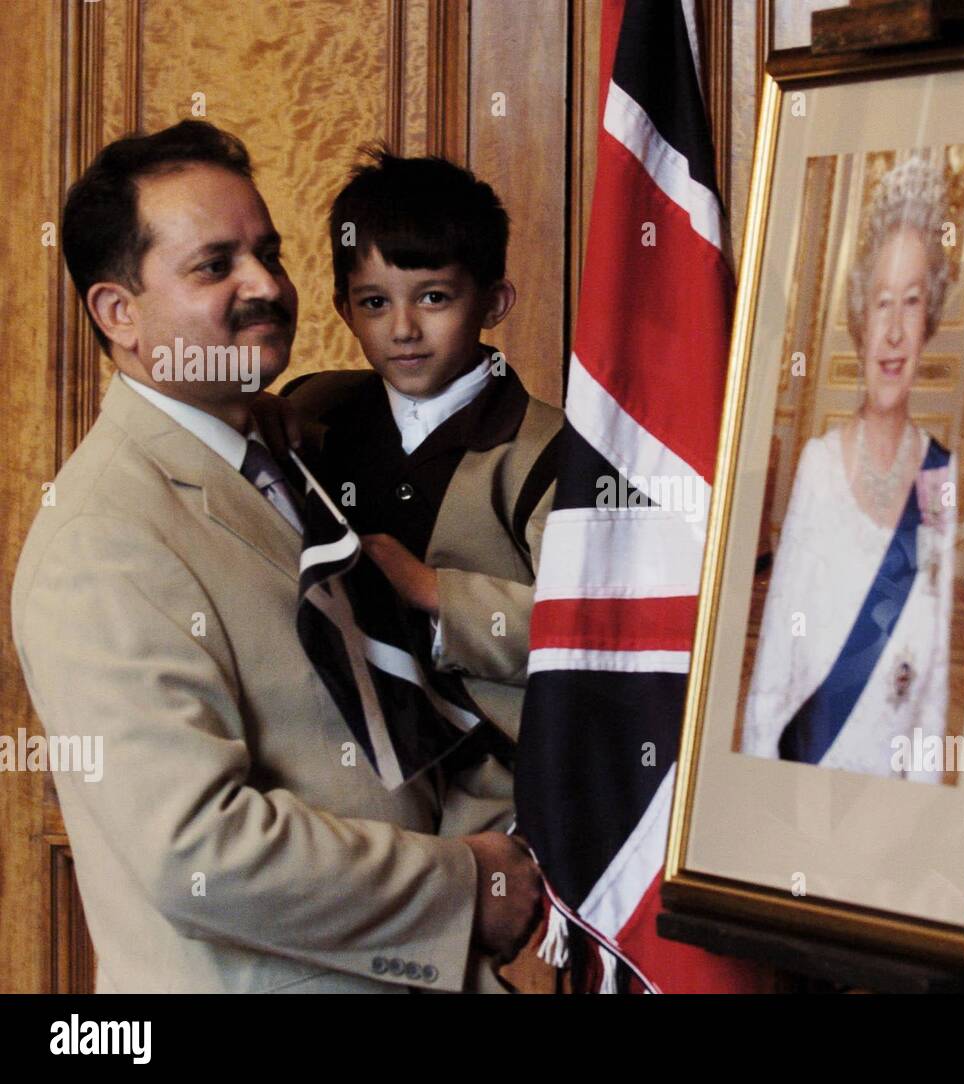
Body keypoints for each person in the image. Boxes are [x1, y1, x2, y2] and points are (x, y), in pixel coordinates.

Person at [11, 120, 540, 993]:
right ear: (120, 313)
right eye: (215, 266)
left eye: (269, 252)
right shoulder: (100, 540)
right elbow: (200, 852)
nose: (266, 285)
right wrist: (461, 885)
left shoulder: (282, 443)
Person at [279, 149, 562, 747]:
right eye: (375, 302)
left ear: (493, 301)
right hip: (335, 753)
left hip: (491, 772)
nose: (403, 328)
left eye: (433, 297)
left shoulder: (553, 451)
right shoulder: (310, 411)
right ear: (344, 310)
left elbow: (595, 626)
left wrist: (431, 589)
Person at [741, 155, 957, 782]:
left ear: (930, 320)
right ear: (861, 322)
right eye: (882, 304)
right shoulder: (817, 465)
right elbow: (779, 646)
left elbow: (937, 662)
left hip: (890, 794)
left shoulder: (940, 476)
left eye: (911, 303)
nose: (893, 331)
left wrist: (922, 803)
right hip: (810, 771)